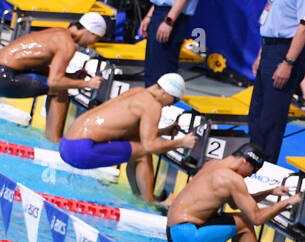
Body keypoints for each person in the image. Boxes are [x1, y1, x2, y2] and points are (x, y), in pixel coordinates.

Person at [165, 143, 304, 242]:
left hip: (174, 231)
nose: (251, 175)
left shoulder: (212, 164)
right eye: (253, 170)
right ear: (245, 161)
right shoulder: (233, 179)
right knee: (245, 222)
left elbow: (236, 203)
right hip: (187, 237)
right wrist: (287, 202)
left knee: (240, 220)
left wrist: (269, 191)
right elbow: (256, 218)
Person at [59, 73, 196, 198]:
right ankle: (150, 203)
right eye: (174, 101)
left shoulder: (136, 91)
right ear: (167, 94)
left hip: (66, 145)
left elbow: (127, 132)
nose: (170, 105)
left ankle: (138, 196)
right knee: (143, 153)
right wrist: (182, 142)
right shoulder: (153, 105)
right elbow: (149, 146)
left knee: (136, 145)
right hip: (81, 151)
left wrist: (162, 131)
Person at [0, 15, 106, 143]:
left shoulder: (58, 33)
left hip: (5, 72)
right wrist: (87, 83)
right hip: (5, 77)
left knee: (59, 86)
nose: (93, 43)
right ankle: (54, 141)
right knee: (59, 90)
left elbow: (36, 67)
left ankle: (52, 139)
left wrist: (70, 77)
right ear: (89, 31)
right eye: (96, 38)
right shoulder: (68, 45)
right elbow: (54, 81)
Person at [249, 0, 305, 164]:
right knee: (256, 114)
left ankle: (264, 170)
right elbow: (271, 18)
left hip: (286, 51)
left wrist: (288, 62)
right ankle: (251, 163)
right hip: (269, 48)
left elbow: (304, 27)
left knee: (271, 118)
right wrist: (261, 54)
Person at [138, 1, 195, 87]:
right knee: (152, 72)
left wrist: (169, 21)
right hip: (159, 11)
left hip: (171, 15)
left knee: (161, 76)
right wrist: (149, 16)